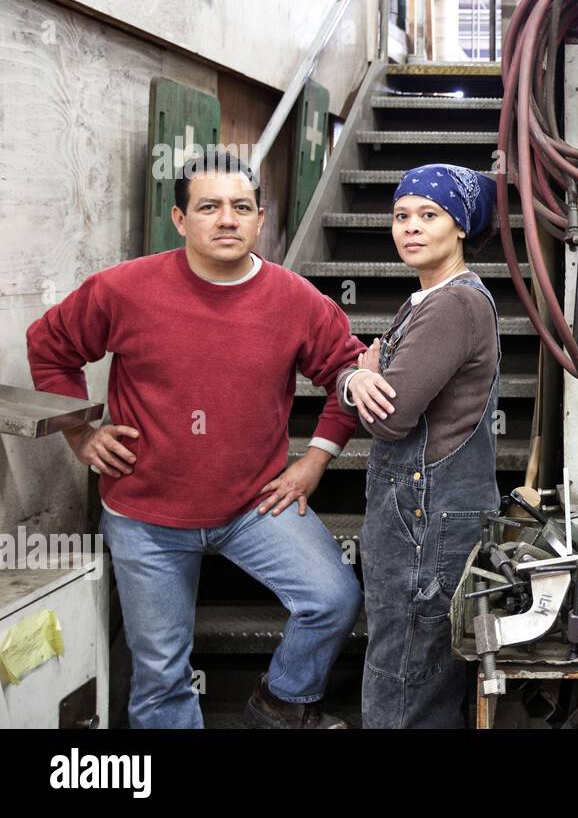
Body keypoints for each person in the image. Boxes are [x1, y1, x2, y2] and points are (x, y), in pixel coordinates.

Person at [27, 152, 366, 729]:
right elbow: (49, 347)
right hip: (146, 513)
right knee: (160, 676)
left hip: (254, 505)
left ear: (261, 219)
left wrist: (316, 459)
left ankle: (282, 701)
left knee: (333, 598)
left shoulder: (297, 300)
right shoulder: (122, 290)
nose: (227, 220)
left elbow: (348, 374)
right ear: (180, 220)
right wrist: (80, 434)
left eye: (241, 207)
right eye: (209, 207)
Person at [338, 163, 501, 728]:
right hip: (419, 514)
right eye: (401, 216)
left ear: (459, 227)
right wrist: (357, 377)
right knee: (411, 673)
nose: (411, 227)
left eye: (429, 215)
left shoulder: (453, 304)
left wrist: (364, 375)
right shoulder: (424, 301)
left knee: (406, 685)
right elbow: (369, 389)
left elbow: (390, 417)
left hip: (426, 521)